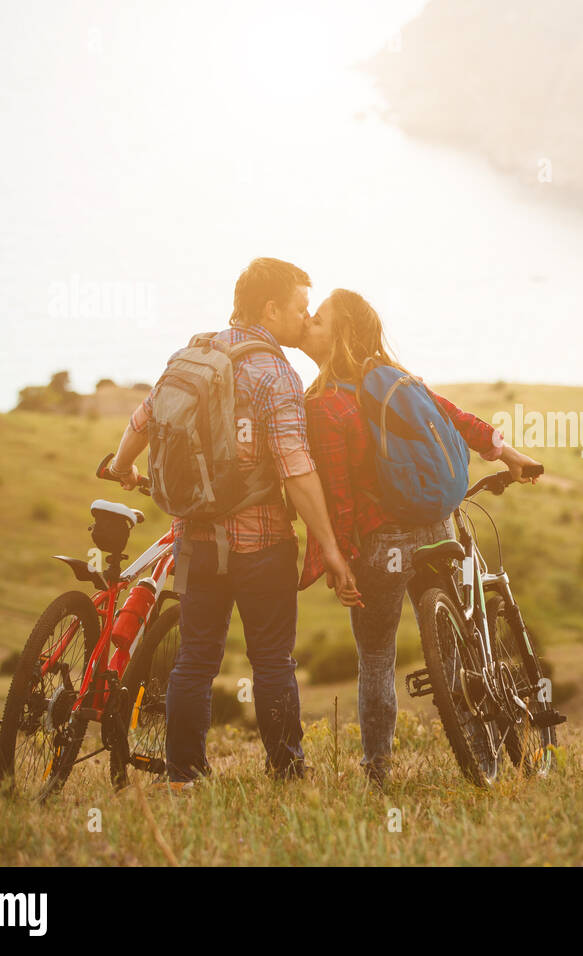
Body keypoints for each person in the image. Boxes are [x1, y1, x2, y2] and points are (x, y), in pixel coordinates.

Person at [107, 258, 361, 785]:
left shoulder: (194, 354)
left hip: (194, 539)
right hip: (262, 543)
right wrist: (330, 547)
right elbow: (296, 468)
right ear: (271, 309)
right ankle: (286, 772)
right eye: (298, 308)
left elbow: (147, 416)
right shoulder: (277, 375)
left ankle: (182, 774)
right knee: (272, 661)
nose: (304, 317)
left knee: (195, 661)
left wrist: (122, 464)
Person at [298, 288, 540, 788]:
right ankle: (484, 756)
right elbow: (450, 416)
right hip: (437, 526)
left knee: (377, 659)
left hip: (380, 542)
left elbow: (339, 496)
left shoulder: (326, 403)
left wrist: (337, 557)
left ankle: (378, 776)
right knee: (458, 649)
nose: (307, 324)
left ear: (339, 335)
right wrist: (508, 454)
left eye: (317, 320)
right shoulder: (397, 380)